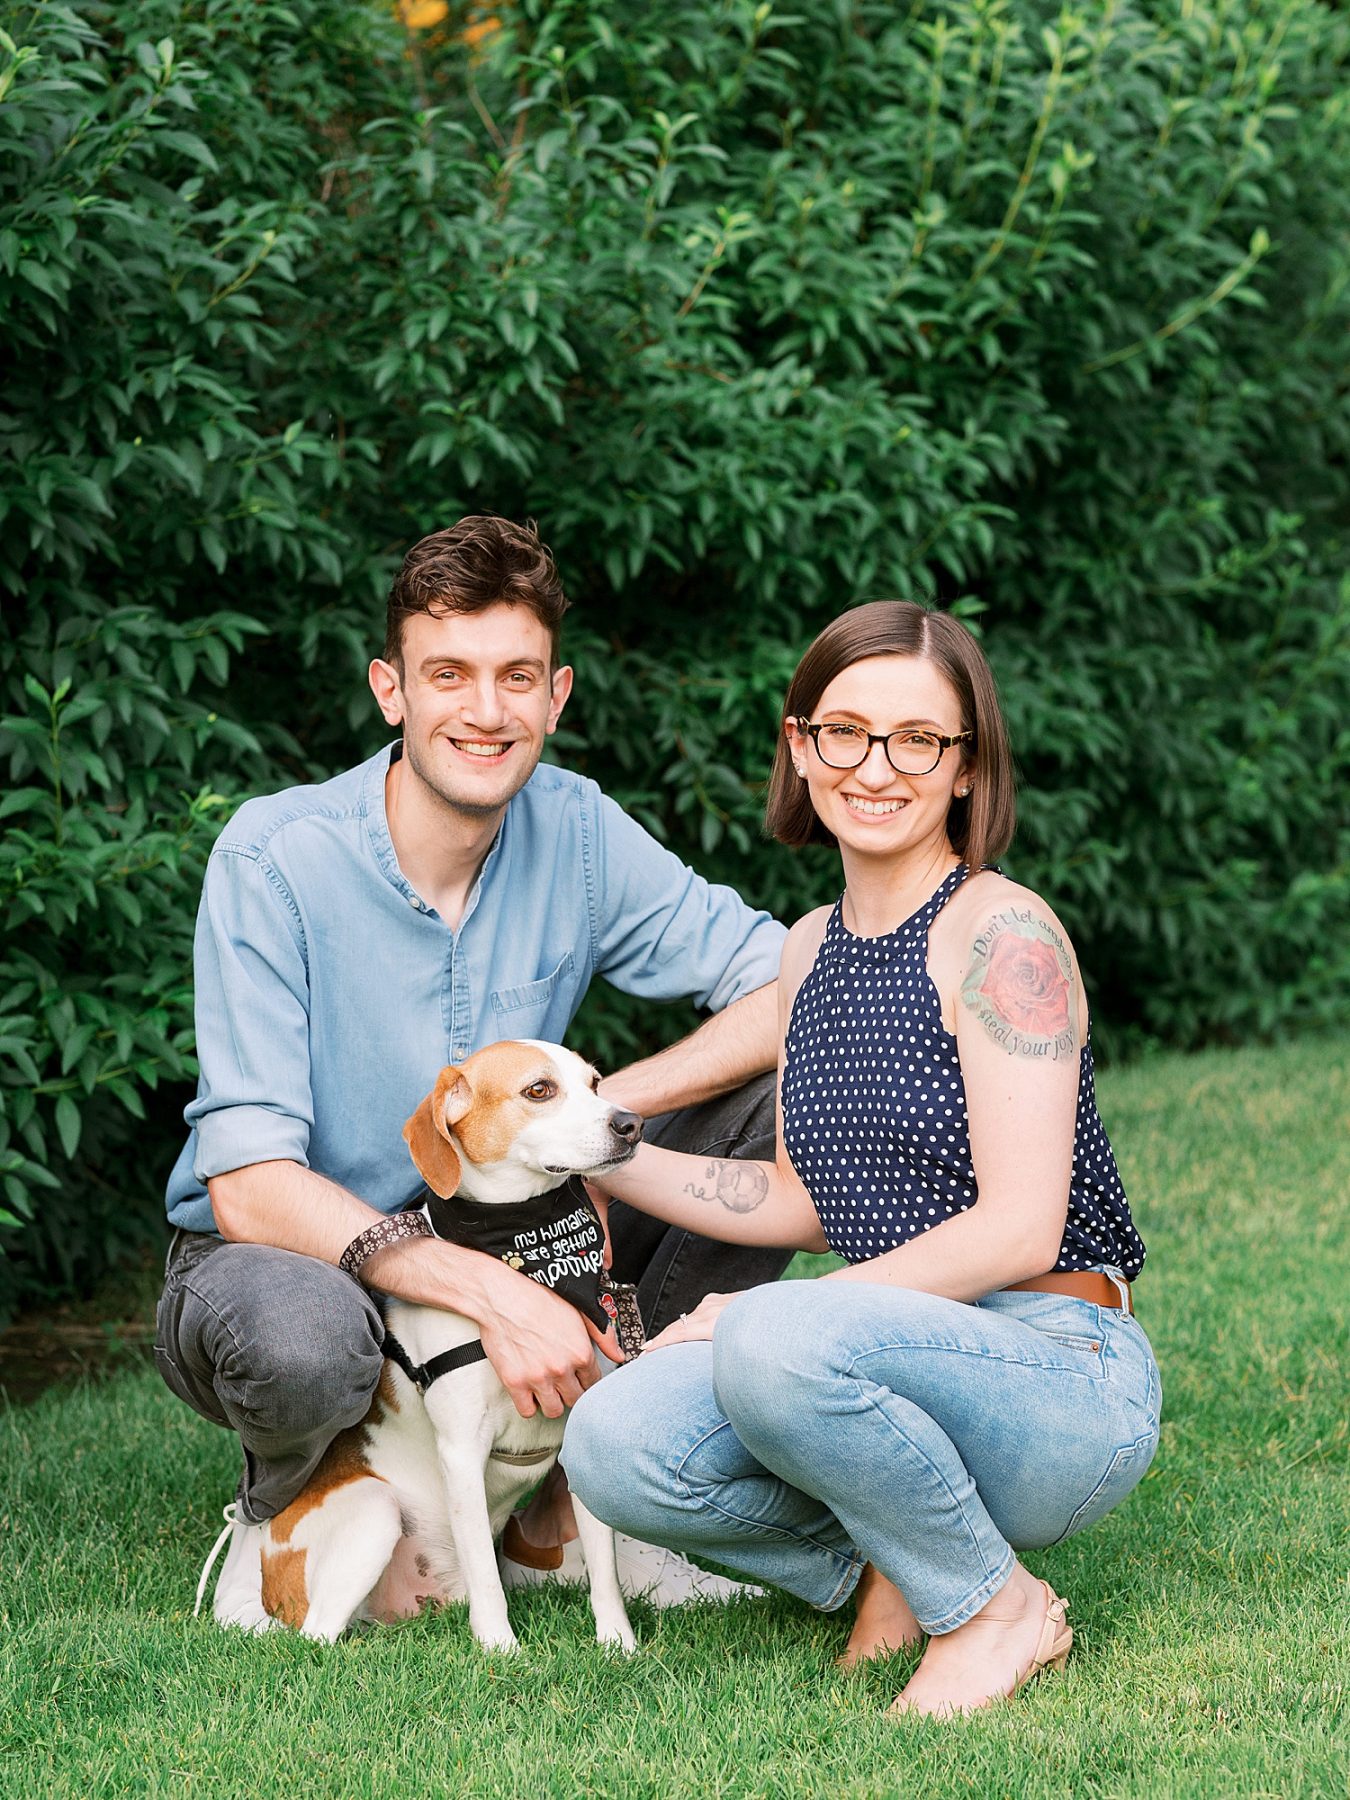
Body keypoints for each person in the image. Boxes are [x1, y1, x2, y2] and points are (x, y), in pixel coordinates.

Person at [155, 515, 794, 1627]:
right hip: (284, 1253)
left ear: (559, 695)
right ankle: (301, 1502)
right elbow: (248, 1181)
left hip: (517, 1212)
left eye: (518, 677)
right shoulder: (272, 857)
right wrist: (494, 1294)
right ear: (391, 690)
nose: (486, 711)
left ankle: (575, 1495)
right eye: (448, 673)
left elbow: (790, 982)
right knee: (302, 1339)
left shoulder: (579, 831)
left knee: (783, 1102)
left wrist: (604, 1110)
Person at [563, 600, 1161, 1718]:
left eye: (917, 740)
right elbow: (799, 1198)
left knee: (774, 1326)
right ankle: (903, 1562)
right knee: (613, 1440)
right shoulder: (808, 952)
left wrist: (750, 1322)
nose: (876, 767)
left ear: (968, 768)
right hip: (884, 1353)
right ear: (801, 746)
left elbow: (1022, 1227)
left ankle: (993, 1610)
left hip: (1058, 1366)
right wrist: (598, 1149)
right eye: (844, 732)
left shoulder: (1002, 933)